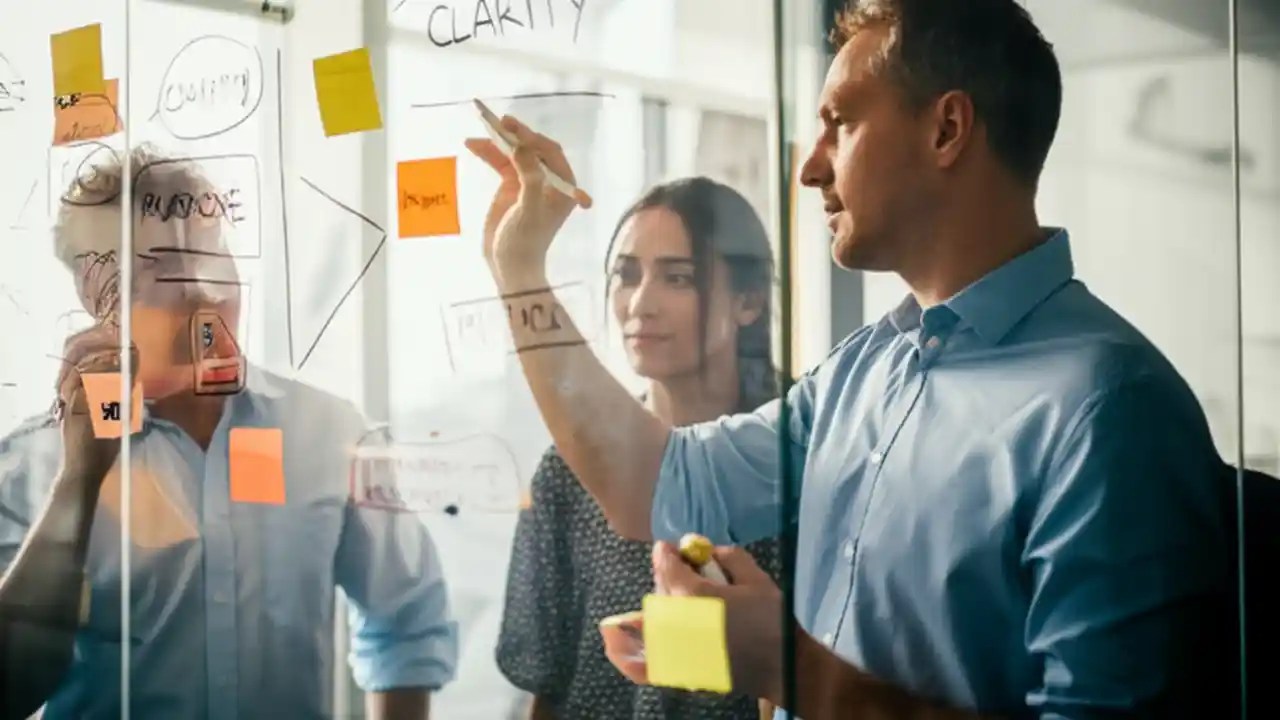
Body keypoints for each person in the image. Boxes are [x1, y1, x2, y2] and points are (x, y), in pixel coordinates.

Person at [464, 0, 1234, 717]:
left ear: (947, 130)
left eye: (840, 123)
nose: (811, 168)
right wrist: (520, 269)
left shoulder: (1110, 409)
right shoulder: (868, 367)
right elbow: (656, 484)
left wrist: (787, 666)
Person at [0, 144, 457, 719]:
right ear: (96, 295)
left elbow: (406, 620)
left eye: (211, 251)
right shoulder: (31, 466)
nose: (205, 288)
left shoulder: (328, 432)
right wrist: (80, 480)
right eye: (159, 264)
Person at [495, 177, 783, 720]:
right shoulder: (573, 467)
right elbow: (545, 684)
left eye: (678, 278)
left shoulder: (795, 452)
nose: (641, 304)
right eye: (626, 275)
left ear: (748, 301)